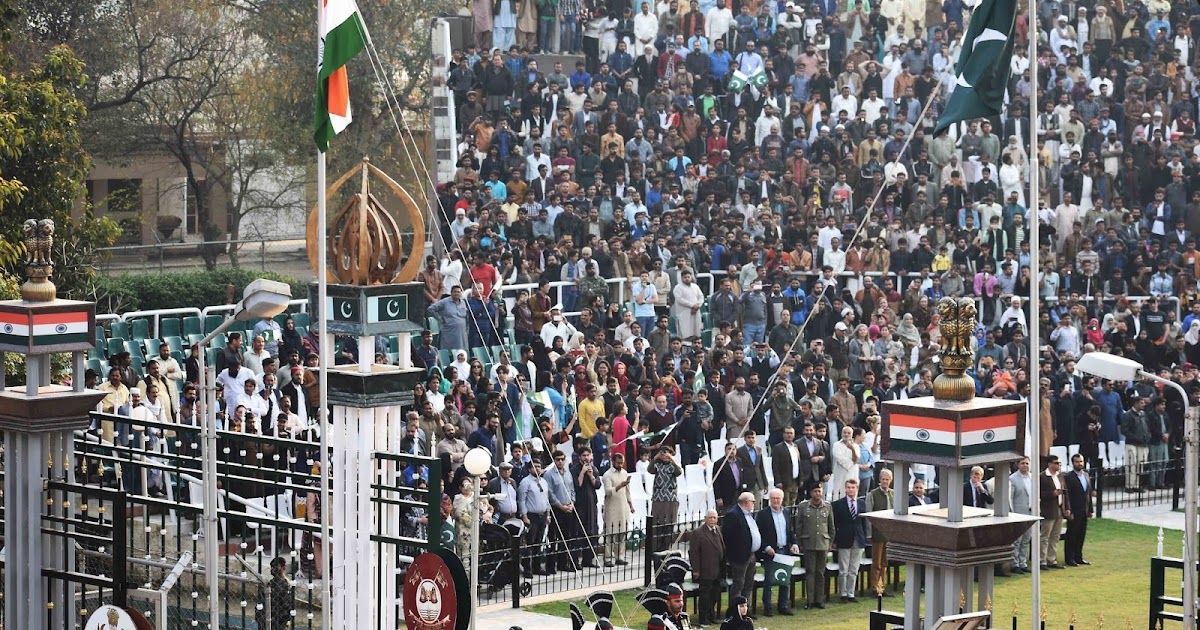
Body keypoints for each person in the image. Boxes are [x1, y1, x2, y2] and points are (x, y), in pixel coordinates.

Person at [754, 488, 798, 616]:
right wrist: (766, 548)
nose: (775, 501)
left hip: (784, 550)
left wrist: (794, 543)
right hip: (771, 552)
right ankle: (767, 607)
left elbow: (790, 531)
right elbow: (759, 534)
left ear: (782, 499)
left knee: (785, 579)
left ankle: (783, 605)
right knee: (769, 580)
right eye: (773, 498)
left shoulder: (787, 512)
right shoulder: (763, 515)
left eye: (778, 498)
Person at [796, 482, 833, 610]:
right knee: (810, 572)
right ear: (811, 493)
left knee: (820, 573)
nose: (817, 493)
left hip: (823, 543)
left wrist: (830, 543)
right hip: (809, 543)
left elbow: (831, 527)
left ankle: (819, 599)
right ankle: (810, 600)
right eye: (815, 491)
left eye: (819, 491)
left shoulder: (827, 506)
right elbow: (799, 525)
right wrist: (800, 542)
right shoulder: (803, 506)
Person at [722, 492, 761, 607]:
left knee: (749, 584)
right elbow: (728, 537)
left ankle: (745, 609)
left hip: (751, 555)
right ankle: (735, 610)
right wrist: (735, 554)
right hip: (740, 557)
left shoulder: (749, 514)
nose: (754, 503)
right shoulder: (733, 515)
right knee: (739, 584)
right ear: (746, 502)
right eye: (752, 501)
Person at [832, 478, 868, 602]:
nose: (850, 490)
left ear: (857, 489)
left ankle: (851, 593)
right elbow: (834, 524)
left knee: (854, 569)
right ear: (845, 488)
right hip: (844, 539)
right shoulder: (838, 504)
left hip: (858, 539)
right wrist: (835, 540)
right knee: (843, 569)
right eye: (848, 487)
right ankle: (843, 593)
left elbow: (864, 523)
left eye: (853, 488)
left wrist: (865, 538)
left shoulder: (862, 503)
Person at [688, 509, 726, 625]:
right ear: (705, 518)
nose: (712, 520)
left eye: (714, 518)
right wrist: (696, 570)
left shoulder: (718, 530)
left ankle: (711, 616)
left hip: (718, 570)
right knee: (705, 595)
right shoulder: (698, 532)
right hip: (705, 570)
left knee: (715, 594)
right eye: (710, 517)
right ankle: (703, 618)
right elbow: (693, 553)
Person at [518, 460, 553, 575]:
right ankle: (528, 568)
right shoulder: (525, 482)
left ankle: (537, 567)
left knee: (539, 542)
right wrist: (524, 516)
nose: (537, 469)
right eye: (534, 467)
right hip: (531, 516)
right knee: (530, 543)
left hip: (542, 515)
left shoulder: (543, 481)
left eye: (539, 466)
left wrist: (548, 514)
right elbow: (522, 500)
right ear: (529, 469)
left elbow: (546, 499)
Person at [602, 452, 634, 566]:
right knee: (610, 533)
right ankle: (608, 558)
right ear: (613, 462)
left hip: (623, 506)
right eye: (618, 463)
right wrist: (620, 485)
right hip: (611, 507)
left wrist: (631, 505)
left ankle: (620, 556)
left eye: (622, 463)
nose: (620, 465)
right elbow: (608, 492)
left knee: (622, 532)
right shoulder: (607, 475)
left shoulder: (625, 473)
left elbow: (628, 491)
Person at [865, 468, 895, 592]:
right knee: (876, 562)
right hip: (877, 533)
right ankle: (875, 587)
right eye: (883, 479)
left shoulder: (894, 494)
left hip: (889, 534)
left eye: (887, 479)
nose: (885, 482)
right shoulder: (872, 494)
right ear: (880, 480)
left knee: (885, 562)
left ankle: (883, 586)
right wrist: (869, 533)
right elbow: (868, 515)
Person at [1063, 453, 1093, 566]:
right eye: (1077, 462)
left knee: (1081, 534)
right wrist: (1068, 510)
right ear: (1073, 463)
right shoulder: (1068, 477)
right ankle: (1069, 558)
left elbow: (1088, 494)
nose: (1080, 464)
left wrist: (1090, 509)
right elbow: (1068, 495)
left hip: (1084, 510)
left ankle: (1078, 556)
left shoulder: (1086, 475)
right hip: (1074, 510)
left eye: (1081, 461)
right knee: (1071, 535)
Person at [1039, 455, 1065, 570]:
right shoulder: (1043, 477)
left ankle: (1052, 559)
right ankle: (1041, 560)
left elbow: (1065, 492)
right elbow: (1039, 493)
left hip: (1059, 508)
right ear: (1049, 464)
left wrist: (1067, 507)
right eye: (1056, 463)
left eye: (1059, 463)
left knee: (1055, 536)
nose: (1058, 465)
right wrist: (1052, 494)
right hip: (1048, 510)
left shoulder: (1060, 476)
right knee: (1045, 536)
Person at [1009, 456, 1034, 573]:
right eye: (1023, 463)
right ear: (1018, 465)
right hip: (1018, 513)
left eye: (1027, 463)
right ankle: (1014, 564)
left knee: (1026, 539)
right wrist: (1012, 513)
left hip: (1030, 513)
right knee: (1017, 540)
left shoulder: (1032, 478)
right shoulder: (1012, 479)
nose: (1025, 465)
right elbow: (1010, 498)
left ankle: (1023, 563)